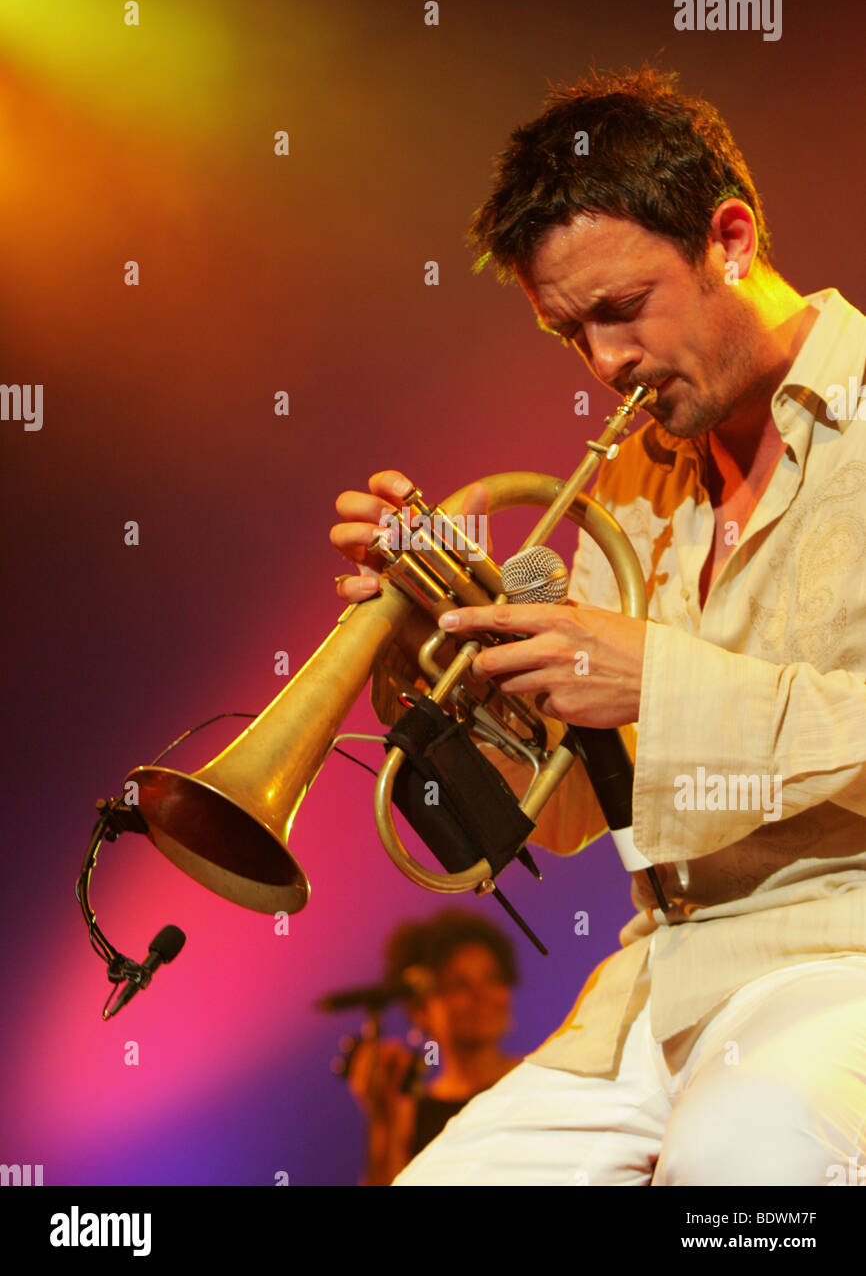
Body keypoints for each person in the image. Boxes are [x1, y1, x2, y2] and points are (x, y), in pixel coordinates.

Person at [330, 65, 866, 1186]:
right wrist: (426, 659)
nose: (605, 364)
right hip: (650, 978)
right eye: (568, 332)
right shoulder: (627, 476)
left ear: (729, 237)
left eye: (621, 310)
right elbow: (570, 811)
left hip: (836, 955)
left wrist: (657, 683)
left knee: (747, 1161)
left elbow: (656, 699)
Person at [344, 910, 520, 1185]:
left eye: (494, 978)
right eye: (459, 985)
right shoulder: (414, 1115)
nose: (482, 995)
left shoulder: (538, 1080)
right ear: (420, 1009)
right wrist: (384, 1122)